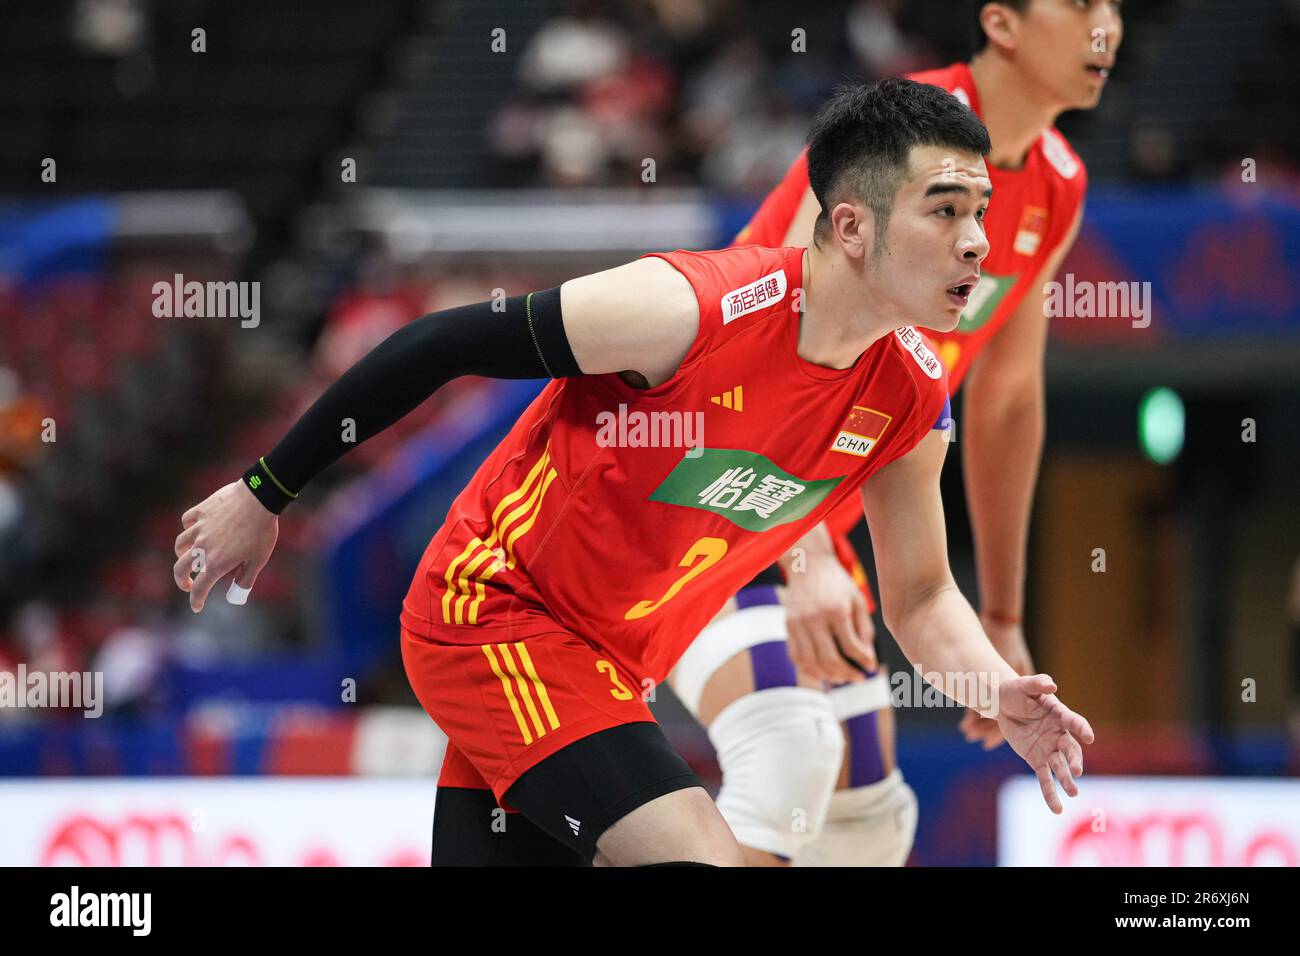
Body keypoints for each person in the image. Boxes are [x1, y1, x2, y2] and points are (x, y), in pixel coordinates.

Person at [173, 79, 1093, 867]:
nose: (978, 242)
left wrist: (991, 686)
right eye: (945, 210)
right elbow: (440, 342)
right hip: (494, 613)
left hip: (613, 666)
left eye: (981, 213)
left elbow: (923, 594)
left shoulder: (911, 391)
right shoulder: (688, 308)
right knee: (701, 851)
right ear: (850, 226)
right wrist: (266, 493)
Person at [669, 0, 1122, 867]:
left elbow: (1009, 400)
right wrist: (798, 556)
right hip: (716, 483)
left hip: (823, 507)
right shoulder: (896, 137)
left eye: (1115, 9)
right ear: (1003, 24)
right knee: (791, 757)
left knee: (867, 823)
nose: (1105, 28)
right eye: (1079, 3)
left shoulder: (1058, 182)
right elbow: (756, 325)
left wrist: (1001, 615)